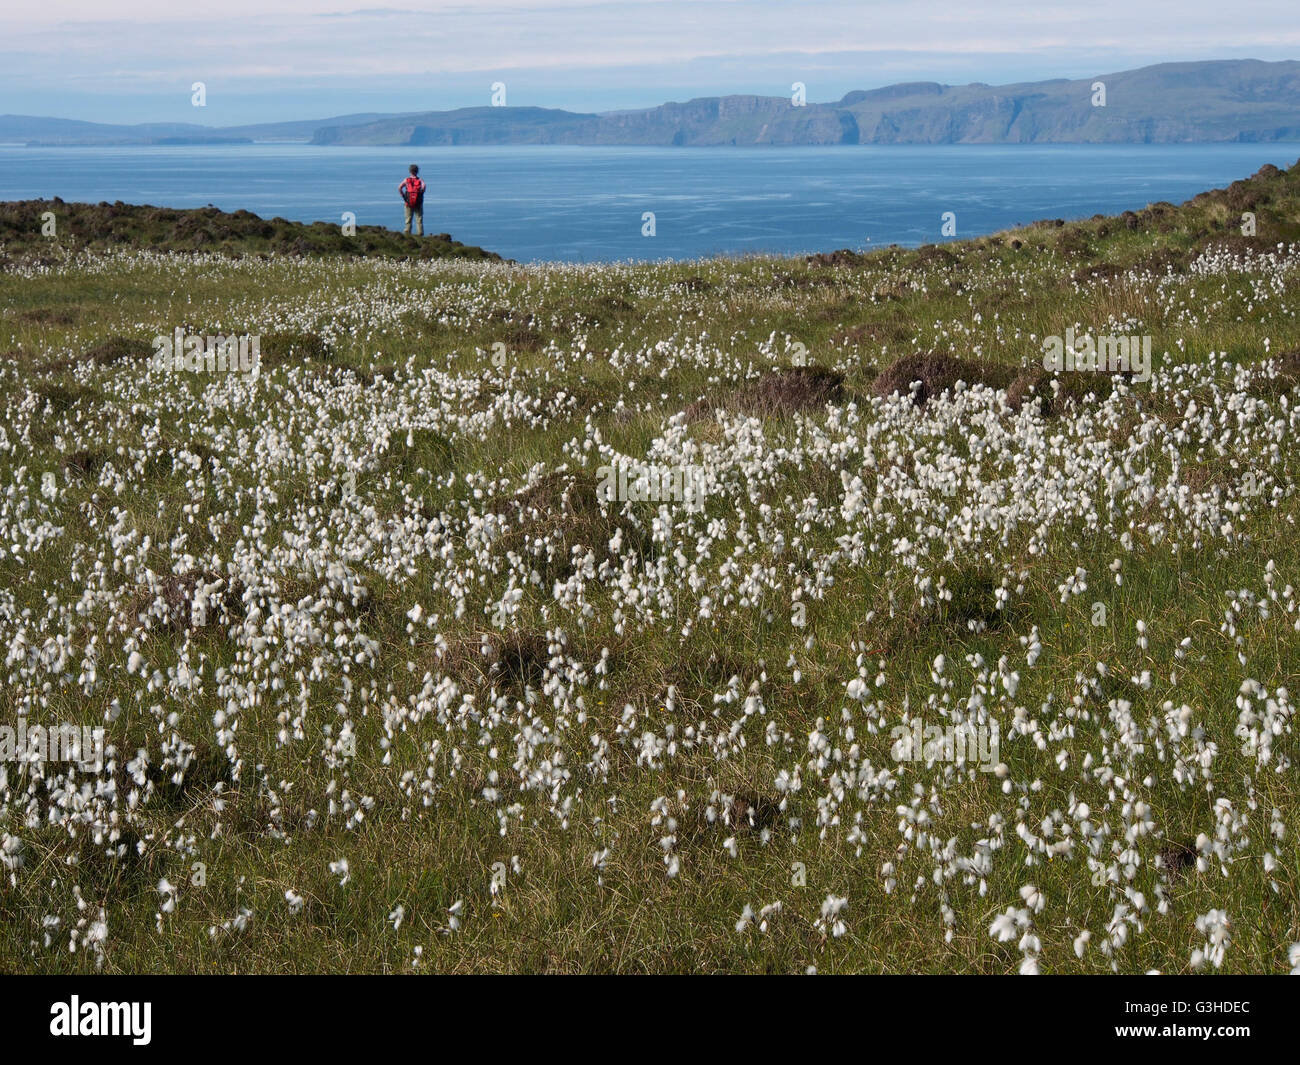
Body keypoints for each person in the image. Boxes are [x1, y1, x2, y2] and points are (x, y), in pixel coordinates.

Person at [399, 164, 426, 236]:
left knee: (408, 219)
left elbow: (399, 188)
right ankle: (420, 233)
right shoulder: (420, 180)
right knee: (419, 219)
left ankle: (407, 233)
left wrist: (404, 196)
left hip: (408, 202)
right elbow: (424, 187)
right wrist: (420, 195)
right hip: (418, 202)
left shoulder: (406, 180)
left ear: (410, 171)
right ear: (417, 171)